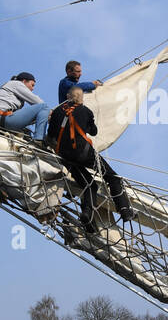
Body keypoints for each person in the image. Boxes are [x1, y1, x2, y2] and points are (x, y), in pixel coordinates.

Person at [48, 86, 133, 231]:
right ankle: (125, 211)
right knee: (113, 178)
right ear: (81, 98)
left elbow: (51, 135)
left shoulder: (56, 112)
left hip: (66, 156)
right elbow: (93, 131)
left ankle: (87, 214)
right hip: (84, 153)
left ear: (68, 97)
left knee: (89, 184)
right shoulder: (85, 111)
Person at [0, 73, 52, 140]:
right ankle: (39, 140)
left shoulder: (9, 87)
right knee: (44, 107)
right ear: (24, 81)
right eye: (32, 85)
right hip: (2, 118)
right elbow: (38, 102)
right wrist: (50, 112)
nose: (33, 88)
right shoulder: (17, 84)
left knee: (27, 132)